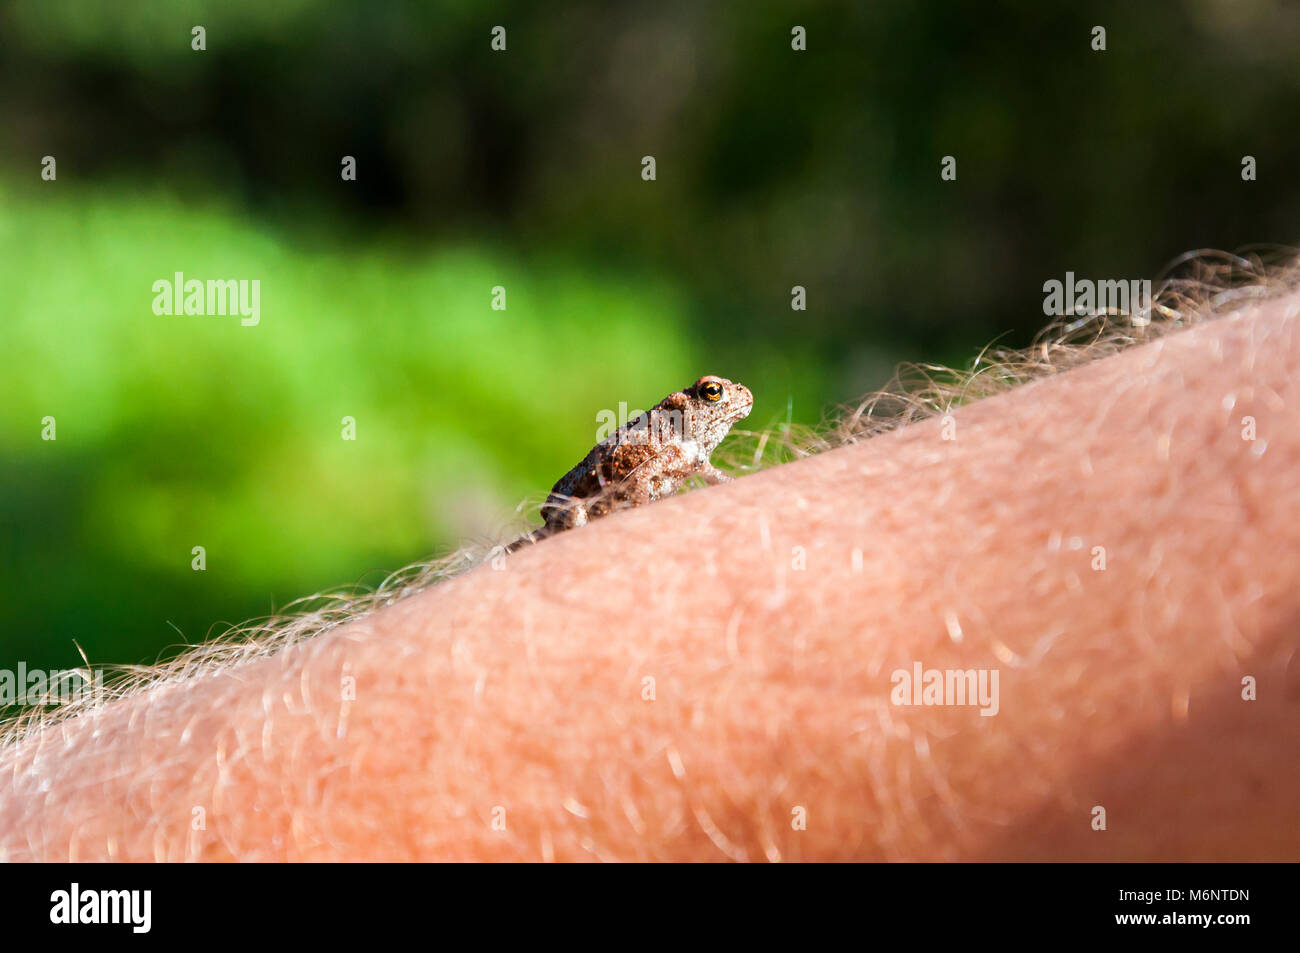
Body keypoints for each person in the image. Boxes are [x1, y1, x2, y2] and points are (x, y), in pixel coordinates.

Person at [2, 262, 1297, 861]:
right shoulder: (654, 443)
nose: (720, 411)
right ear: (688, 406)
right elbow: (605, 490)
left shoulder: (681, 442)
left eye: (722, 402)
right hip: (567, 529)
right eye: (710, 400)